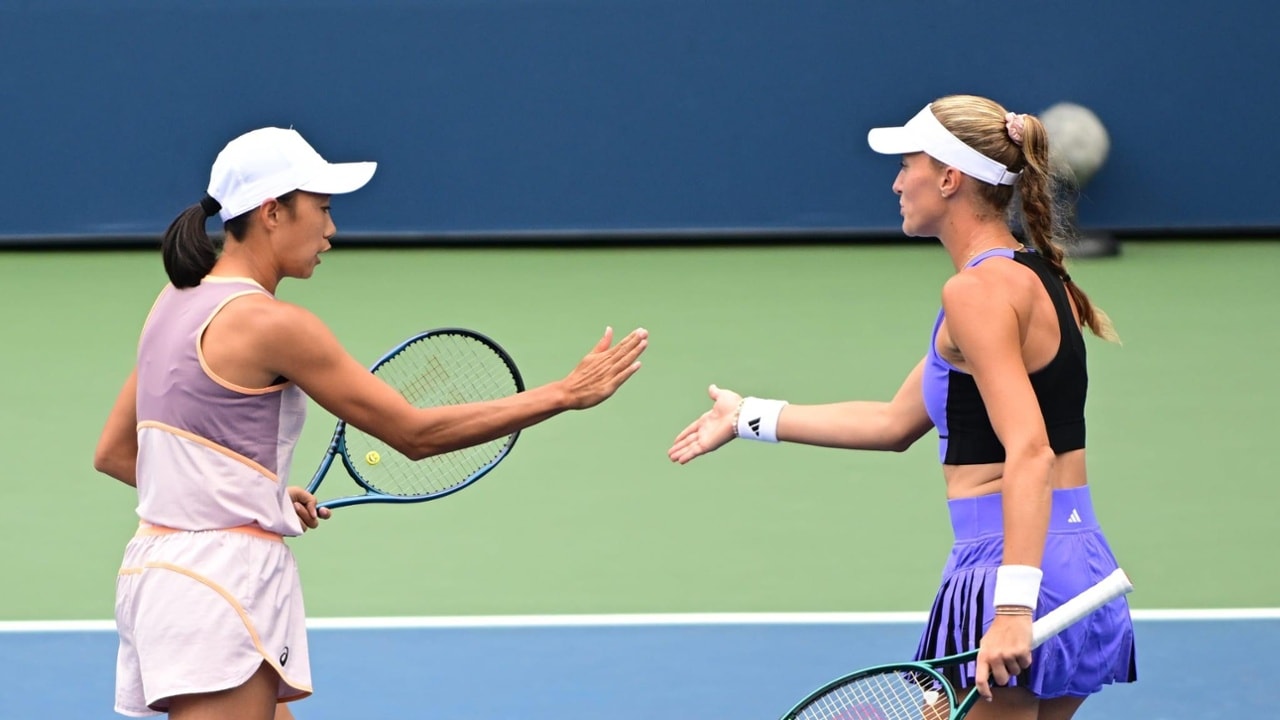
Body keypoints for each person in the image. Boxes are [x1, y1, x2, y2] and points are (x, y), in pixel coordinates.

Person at [93, 126, 649, 720]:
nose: (331, 231)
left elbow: (116, 453)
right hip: (222, 587)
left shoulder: (171, 302)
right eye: (323, 210)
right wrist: (562, 394)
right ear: (273, 212)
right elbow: (415, 435)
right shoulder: (272, 324)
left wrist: (258, 496)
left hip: (161, 575)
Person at [667, 95, 1135, 720]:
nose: (896, 181)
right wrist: (748, 415)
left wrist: (1013, 607)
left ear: (949, 178)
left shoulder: (974, 292)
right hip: (1078, 563)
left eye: (908, 163)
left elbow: (1029, 449)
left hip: (1012, 563)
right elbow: (894, 422)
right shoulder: (1032, 278)